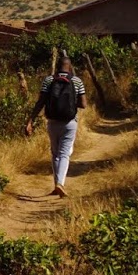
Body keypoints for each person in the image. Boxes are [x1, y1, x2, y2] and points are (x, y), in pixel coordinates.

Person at [23, 55, 87, 197]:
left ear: (56, 66)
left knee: (55, 153)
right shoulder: (77, 81)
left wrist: (30, 120)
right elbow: (83, 104)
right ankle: (60, 184)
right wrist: (70, 103)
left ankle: (57, 184)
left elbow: (41, 102)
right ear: (69, 67)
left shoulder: (49, 80)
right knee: (64, 153)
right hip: (70, 123)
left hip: (52, 122)